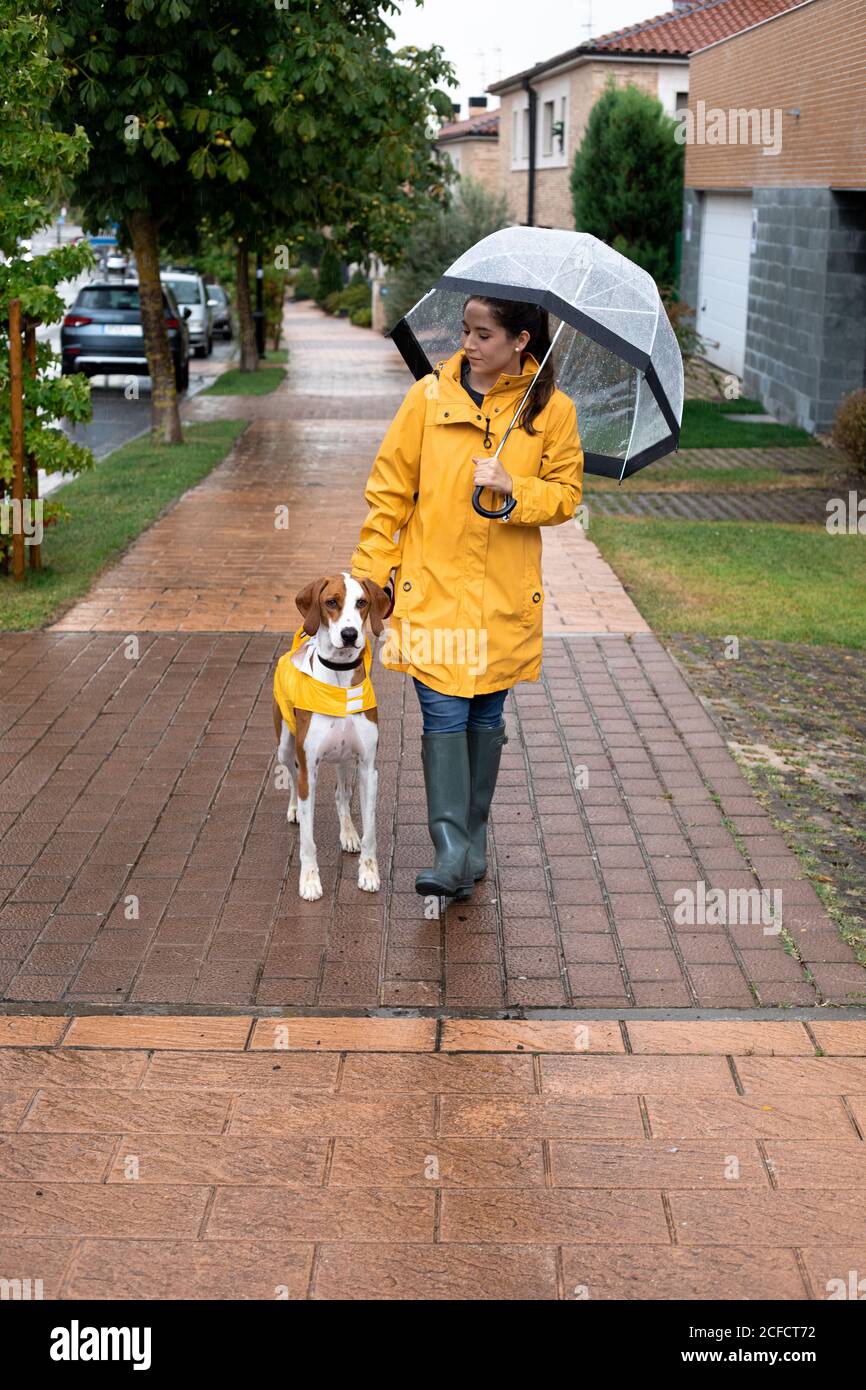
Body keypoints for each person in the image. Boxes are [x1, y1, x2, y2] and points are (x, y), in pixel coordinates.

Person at [350, 295, 584, 899]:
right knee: (444, 713)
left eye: (484, 334)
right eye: (466, 331)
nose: (469, 344)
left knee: (485, 715)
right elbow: (389, 492)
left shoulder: (552, 412)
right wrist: (369, 581)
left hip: (503, 599)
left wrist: (514, 489)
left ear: (521, 341)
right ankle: (451, 847)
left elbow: (565, 496)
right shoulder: (428, 398)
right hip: (431, 591)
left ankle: (473, 841)